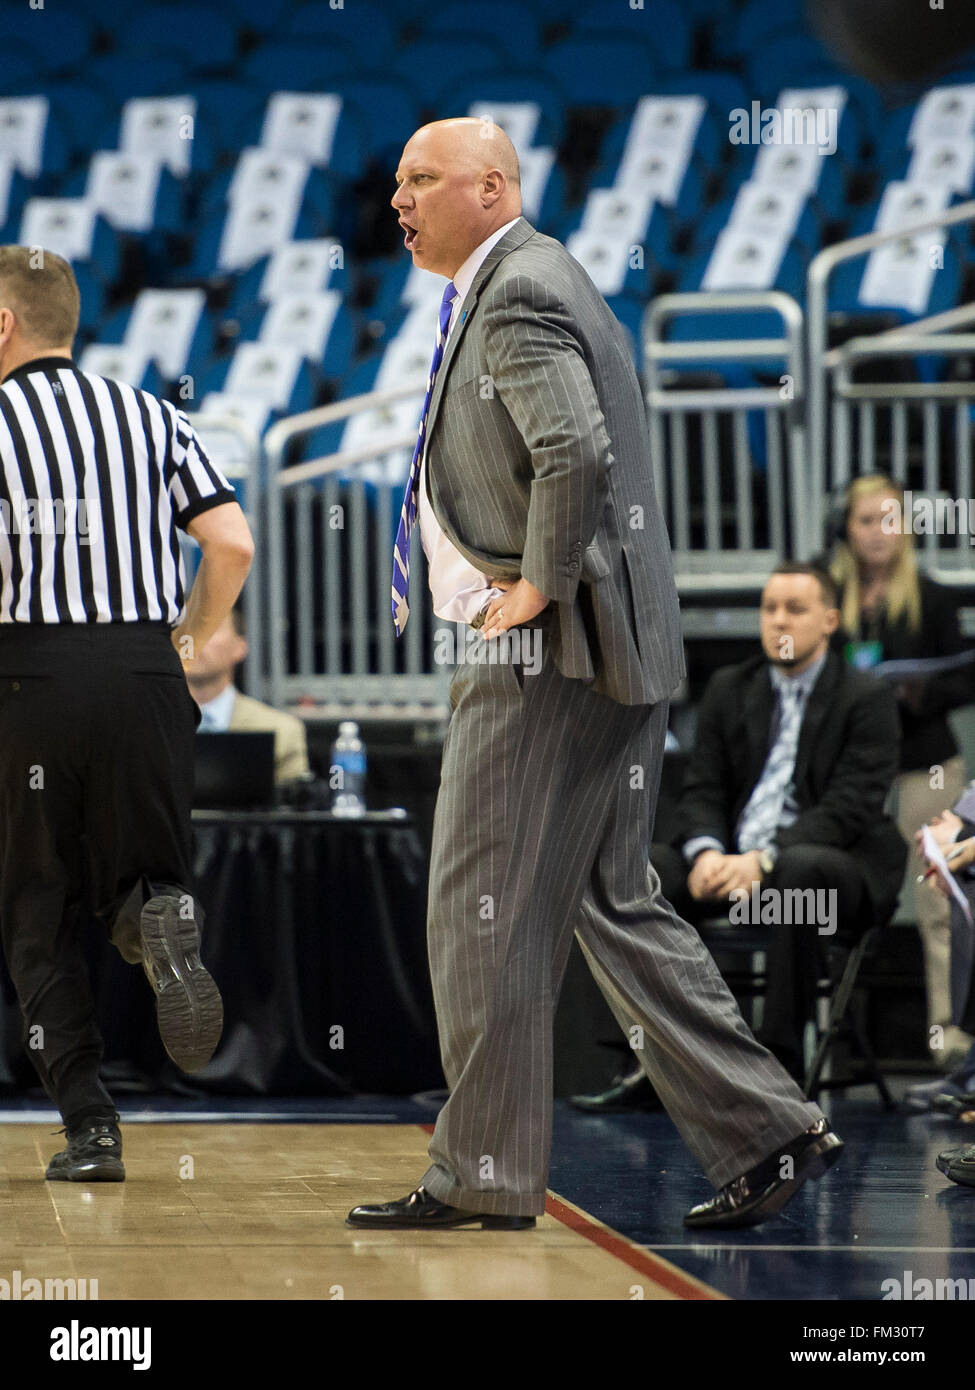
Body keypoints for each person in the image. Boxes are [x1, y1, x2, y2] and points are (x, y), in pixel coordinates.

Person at [347, 119, 842, 1234]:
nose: (398, 198)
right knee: (607, 904)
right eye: (395, 178)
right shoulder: (518, 279)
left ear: (490, 186)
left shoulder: (517, 287)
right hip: (592, 648)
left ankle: (479, 1172)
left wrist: (536, 587)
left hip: (542, 652)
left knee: (479, 915)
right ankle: (770, 1127)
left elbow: (575, 450)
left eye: (419, 178)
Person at [0, 245, 253, 1182]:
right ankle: (155, 913)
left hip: (27, 679)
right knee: (137, 868)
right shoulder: (152, 414)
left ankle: (91, 1129)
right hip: (145, 671)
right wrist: (185, 642)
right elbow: (232, 541)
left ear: (3, 324)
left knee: (37, 908)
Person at [576, 563, 905, 1100]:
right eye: (770, 608)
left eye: (795, 610)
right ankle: (650, 1063)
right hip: (733, 864)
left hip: (832, 868)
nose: (779, 620)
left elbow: (850, 809)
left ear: (829, 621)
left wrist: (763, 861)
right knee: (641, 868)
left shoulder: (865, 697)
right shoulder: (732, 687)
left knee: (796, 877)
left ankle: (776, 1067)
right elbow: (701, 789)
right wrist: (707, 854)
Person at [824, 474, 974, 1069]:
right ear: (847, 529)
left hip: (924, 762)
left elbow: (964, 673)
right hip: (853, 767)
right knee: (829, 888)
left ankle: (952, 1041)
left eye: (890, 519)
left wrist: (919, 694)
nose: (879, 533)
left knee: (942, 897)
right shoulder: (827, 591)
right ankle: (827, 1041)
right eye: (866, 520)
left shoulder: (932, 596)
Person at [186, 607, 309, 783]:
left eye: (208, 627)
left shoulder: (281, 731)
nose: (192, 638)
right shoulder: (142, 726)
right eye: (182, 627)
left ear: (240, 647)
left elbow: (293, 808)